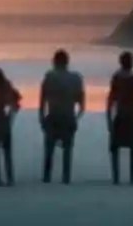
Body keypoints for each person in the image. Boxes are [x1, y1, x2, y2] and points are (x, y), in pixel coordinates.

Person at [39, 49, 85, 184]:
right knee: (67, 151)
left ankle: (47, 177)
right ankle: (66, 177)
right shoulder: (76, 78)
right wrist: (76, 117)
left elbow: (42, 102)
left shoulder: (49, 77)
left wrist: (42, 119)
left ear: (54, 62)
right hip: (68, 116)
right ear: (67, 62)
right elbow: (81, 105)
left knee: (49, 150)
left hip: (53, 116)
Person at [106, 51, 133, 185]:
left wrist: (108, 118)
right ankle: (132, 178)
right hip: (131, 117)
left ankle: (116, 178)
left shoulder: (117, 78)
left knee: (115, 148)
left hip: (122, 117)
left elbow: (111, 100)